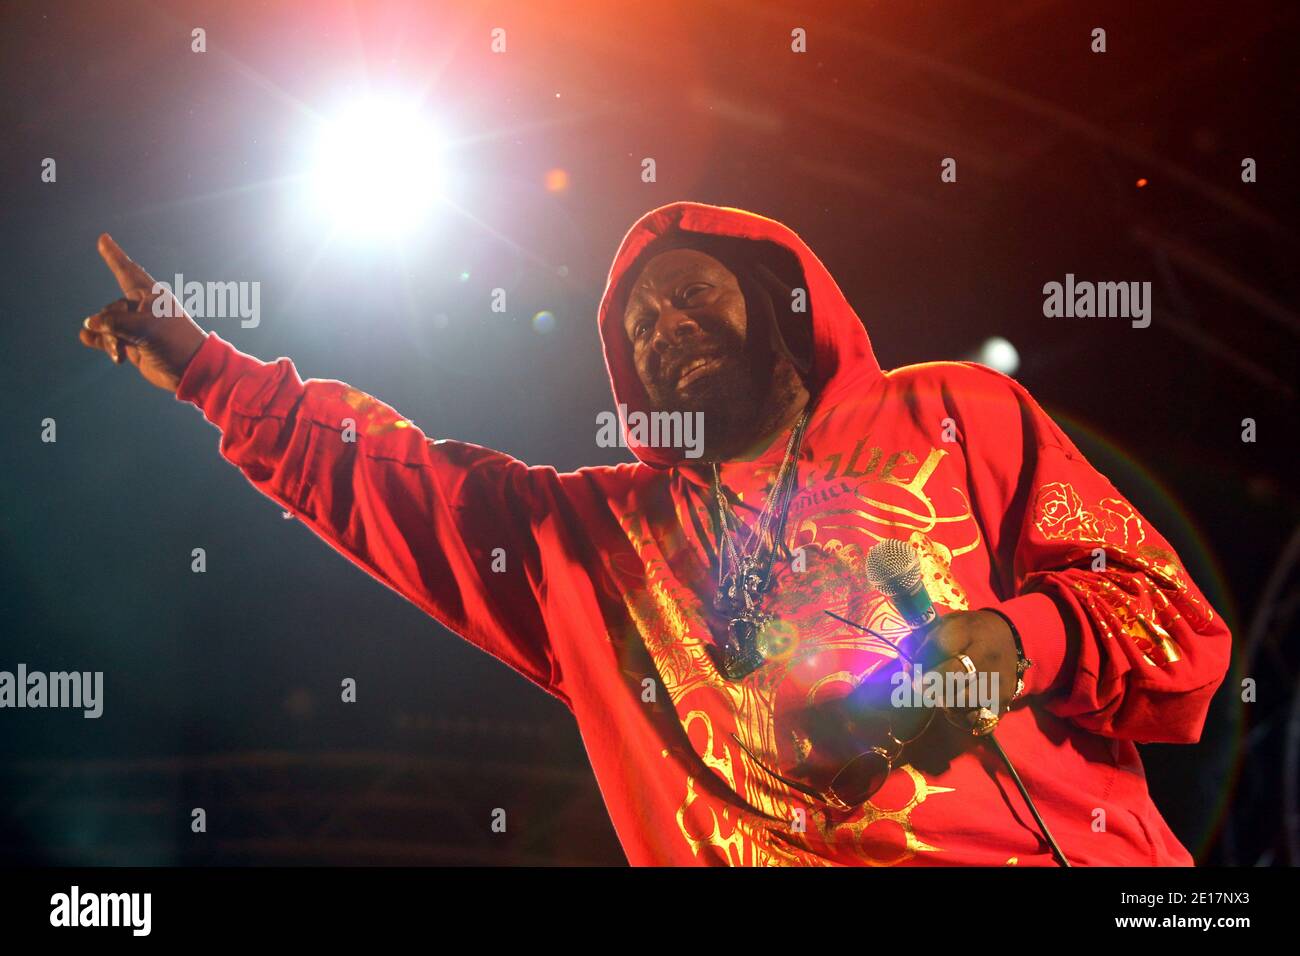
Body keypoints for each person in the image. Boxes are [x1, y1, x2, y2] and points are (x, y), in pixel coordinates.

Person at [79, 201, 1231, 866]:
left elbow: (1175, 625)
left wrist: (1018, 638)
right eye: (637, 325)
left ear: (776, 301)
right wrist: (212, 375)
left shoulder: (955, 413)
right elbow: (402, 488)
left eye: (690, 295)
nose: (662, 327)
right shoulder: (598, 540)